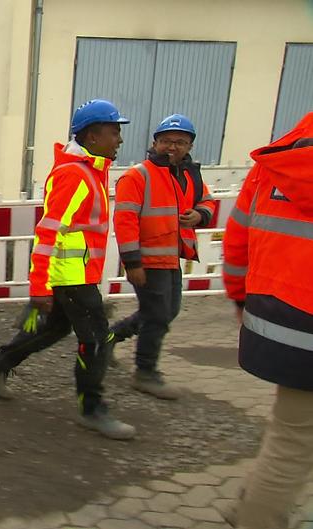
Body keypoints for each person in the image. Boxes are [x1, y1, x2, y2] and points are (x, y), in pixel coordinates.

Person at [0, 99, 136, 440]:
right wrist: (39, 288)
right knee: (96, 339)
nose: (119, 139)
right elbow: (47, 232)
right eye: (114, 132)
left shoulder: (90, 170)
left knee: (50, 332)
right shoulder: (75, 175)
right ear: (93, 136)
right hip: (71, 277)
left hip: (76, 275)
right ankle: (93, 409)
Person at [222, 112, 313, 529]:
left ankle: (252, 504)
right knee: (294, 443)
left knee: (290, 432)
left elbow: (237, 235)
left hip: (279, 315)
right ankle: (256, 515)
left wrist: (240, 297)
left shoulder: (277, 159)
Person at [109, 114, 217, 399]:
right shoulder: (138, 175)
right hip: (146, 259)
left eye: (180, 142)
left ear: (190, 146)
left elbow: (207, 201)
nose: (173, 147)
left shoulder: (188, 175)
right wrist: (132, 263)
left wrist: (199, 214)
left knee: (167, 311)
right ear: (154, 142)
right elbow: (125, 220)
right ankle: (145, 372)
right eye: (167, 141)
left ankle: (111, 337)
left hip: (171, 257)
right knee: (157, 316)